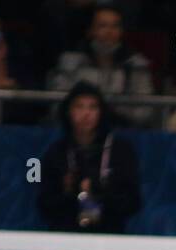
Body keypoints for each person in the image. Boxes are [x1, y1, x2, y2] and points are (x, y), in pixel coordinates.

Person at [37, 81, 141, 233]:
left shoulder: (121, 151)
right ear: (68, 111)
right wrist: (68, 192)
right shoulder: (55, 152)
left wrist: (100, 192)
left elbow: (133, 202)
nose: (86, 114)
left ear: (101, 112)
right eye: (79, 106)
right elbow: (44, 204)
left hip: (110, 234)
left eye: (93, 107)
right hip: (65, 234)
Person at [47, 3, 154, 127]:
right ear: (90, 30)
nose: (109, 32)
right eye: (102, 26)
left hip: (121, 131)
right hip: (75, 131)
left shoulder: (135, 65)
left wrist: (110, 113)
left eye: (115, 26)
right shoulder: (70, 62)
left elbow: (144, 111)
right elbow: (57, 106)